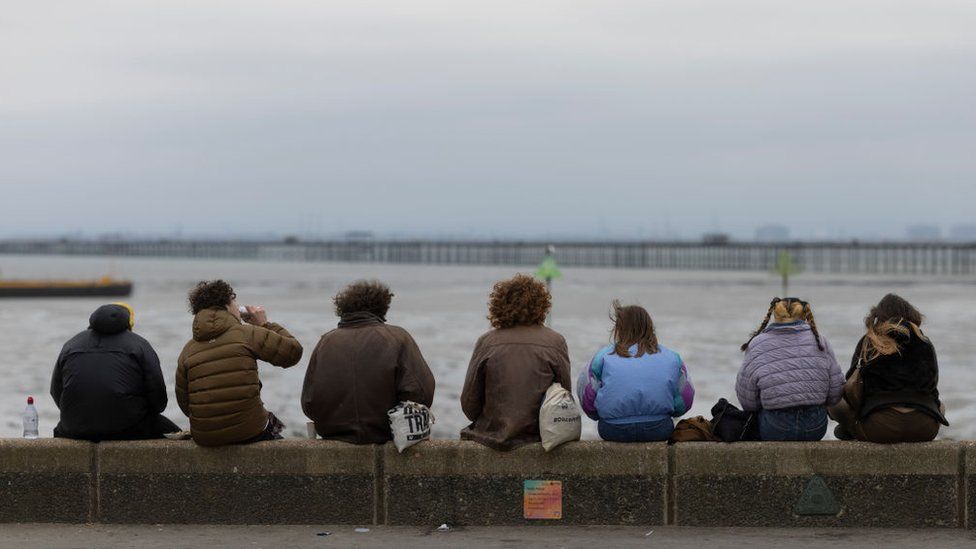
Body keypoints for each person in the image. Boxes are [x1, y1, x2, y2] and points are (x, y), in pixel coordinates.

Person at [302, 280, 435, 444]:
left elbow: (309, 401)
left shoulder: (326, 341)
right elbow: (420, 392)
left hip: (334, 434)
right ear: (383, 307)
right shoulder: (398, 337)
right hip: (385, 433)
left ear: (343, 309)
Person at [176, 280, 303, 446]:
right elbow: (293, 353)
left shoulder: (187, 350)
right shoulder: (246, 333)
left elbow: (185, 402)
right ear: (228, 305)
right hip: (248, 431)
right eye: (235, 301)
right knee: (275, 425)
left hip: (205, 436)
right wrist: (265, 325)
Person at [460, 274, 571, 450]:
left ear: (498, 305)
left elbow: (469, 405)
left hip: (491, 438)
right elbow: (564, 397)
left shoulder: (486, 342)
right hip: (540, 438)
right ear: (541, 305)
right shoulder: (556, 341)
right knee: (544, 480)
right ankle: (539, 481)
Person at [51, 302, 179, 441]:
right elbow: (158, 395)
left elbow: (55, 390)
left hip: (75, 427)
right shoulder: (140, 345)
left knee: (58, 430)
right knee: (176, 434)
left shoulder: (71, 344)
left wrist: (79, 413)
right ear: (128, 323)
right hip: (129, 427)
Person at [829, 294, 948, 443]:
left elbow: (851, 386)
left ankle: (853, 427)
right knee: (941, 406)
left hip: (881, 428)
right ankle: (856, 426)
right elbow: (932, 389)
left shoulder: (870, 341)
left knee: (834, 402)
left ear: (878, 316)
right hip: (924, 429)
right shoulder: (925, 342)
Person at [577, 301, 695, 442]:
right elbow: (685, 399)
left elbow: (586, 396)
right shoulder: (672, 357)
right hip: (658, 428)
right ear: (649, 327)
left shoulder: (602, 357)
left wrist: (599, 415)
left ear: (619, 329)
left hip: (613, 429)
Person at [736, 297, 844, 441]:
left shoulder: (757, 344)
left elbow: (747, 401)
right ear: (804, 314)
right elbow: (835, 392)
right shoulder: (819, 340)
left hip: (775, 426)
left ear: (774, 315)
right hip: (816, 426)